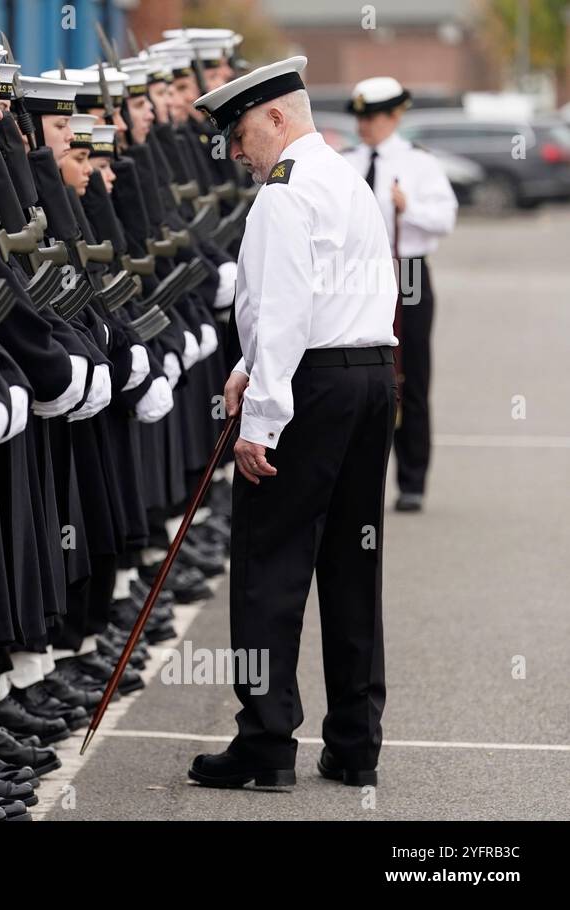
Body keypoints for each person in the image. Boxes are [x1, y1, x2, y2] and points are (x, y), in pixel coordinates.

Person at [190, 56, 397, 789]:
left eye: (242, 134)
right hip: (369, 377)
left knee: (269, 566)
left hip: (311, 388)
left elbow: (282, 310)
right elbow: (336, 298)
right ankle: (355, 743)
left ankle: (266, 741)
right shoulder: (346, 179)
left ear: (277, 117)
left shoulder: (283, 194)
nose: (238, 153)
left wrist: (261, 419)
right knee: (352, 564)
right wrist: (256, 368)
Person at [343, 76, 457, 513]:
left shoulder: (419, 163)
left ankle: (412, 479)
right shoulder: (348, 161)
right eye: (359, 117)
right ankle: (360, 478)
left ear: (395, 116)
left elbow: (445, 219)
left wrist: (410, 207)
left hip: (406, 270)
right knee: (364, 375)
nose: (363, 126)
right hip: (358, 274)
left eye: (371, 117)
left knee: (411, 374)